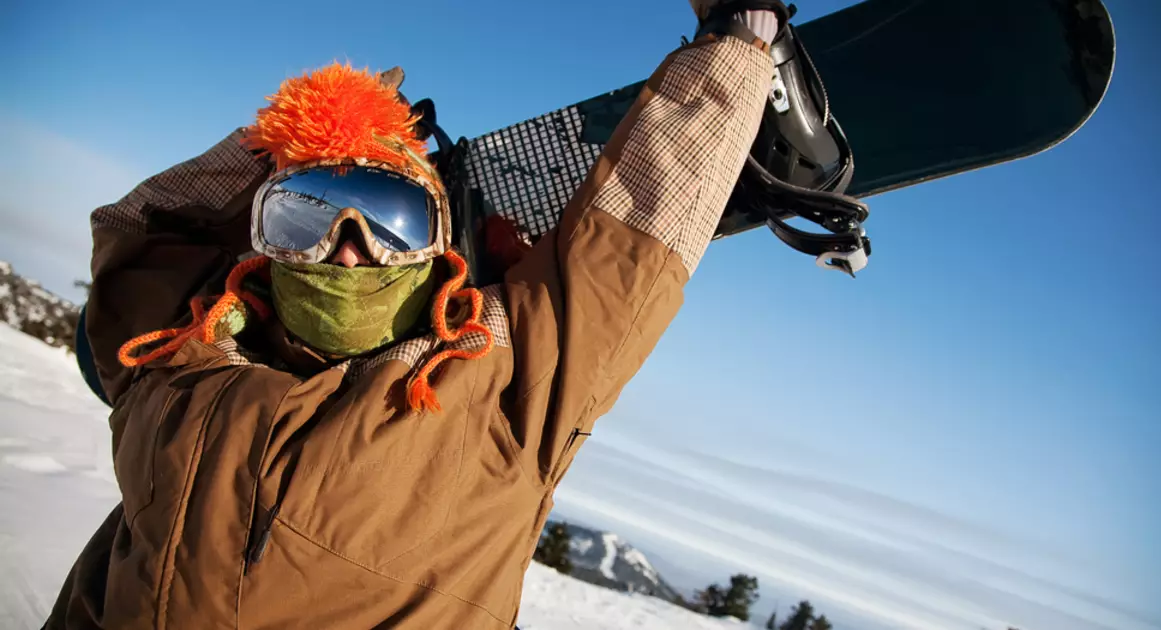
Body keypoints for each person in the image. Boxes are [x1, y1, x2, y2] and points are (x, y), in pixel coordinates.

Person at [45, 1, 787, 628]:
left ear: (437, 249)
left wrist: (737, 42)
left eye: (390, 221)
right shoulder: (173, 361)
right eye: (304, 219)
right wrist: (293, 137)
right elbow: (144, 230)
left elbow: (624, 248)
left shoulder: (501, 393)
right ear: (260, 240)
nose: (348, 252)